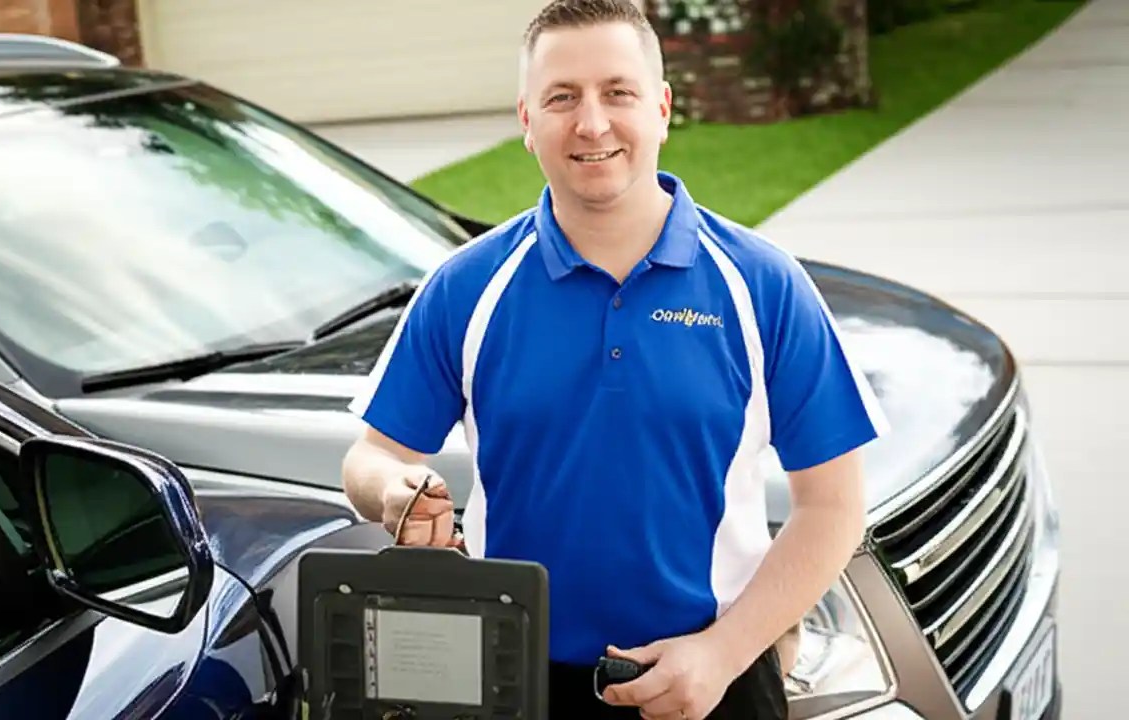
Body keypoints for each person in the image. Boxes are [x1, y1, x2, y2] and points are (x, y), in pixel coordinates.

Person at [340, 0, 889, 717]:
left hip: (712, 677)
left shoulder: (763, 284)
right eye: (561, 97)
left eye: (618, 92)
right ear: (527, 120)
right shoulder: (466, 287)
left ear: (662, 108)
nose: (592, 123)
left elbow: (833, 506)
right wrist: (394, 490)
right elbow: (372, 456)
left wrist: (724, 653)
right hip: (515, 679)